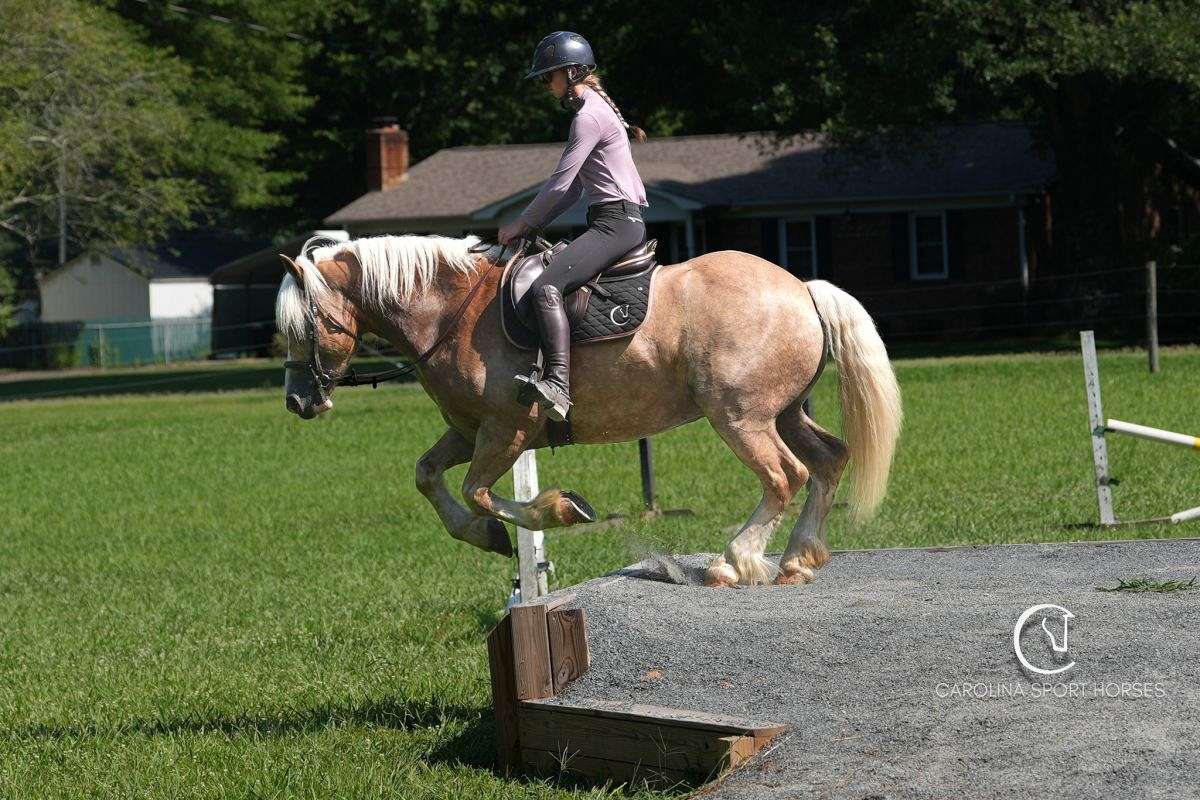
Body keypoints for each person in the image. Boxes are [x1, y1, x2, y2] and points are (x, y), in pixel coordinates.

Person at [498, 31, 649, 422]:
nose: (547, 85)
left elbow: (560, 183)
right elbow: (573, 192)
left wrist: (521, 223)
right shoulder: (599, 108)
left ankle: (558, 385)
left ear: (570, 72)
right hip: (613, 219)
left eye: (549, 77)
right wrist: (536, 226)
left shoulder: (588, 116)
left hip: (615, 223)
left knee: (547, 286)